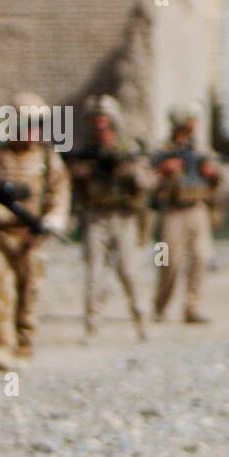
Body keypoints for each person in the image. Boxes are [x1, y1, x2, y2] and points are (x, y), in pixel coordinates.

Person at [0, 92, 71, 369]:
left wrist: (48, 223)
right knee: (0, 290)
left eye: (38, 125)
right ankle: (1, 345)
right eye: (27, 124)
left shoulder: (48, 158)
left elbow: (59, 193)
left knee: (29, 292)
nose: (32, 132)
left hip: (30, 238)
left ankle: (24, 344)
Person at [70, 94, 153, 340]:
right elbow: (76, 182)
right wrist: (84, 172)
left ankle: (141, 321)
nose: (100, 127)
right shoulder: (86, 153)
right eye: (96, 122)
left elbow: (147, 181)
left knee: (129, 272)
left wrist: (130, 171)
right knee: (94, 275)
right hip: (97, 217)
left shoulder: (129, 150)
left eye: (104, 122)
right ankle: (92, 326)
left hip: (124, 217)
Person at [152, 102, 220, 324]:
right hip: (173, 211)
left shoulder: (200, 150)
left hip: (197, 209)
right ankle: (160, 306)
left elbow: (216, 178)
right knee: (168, 261)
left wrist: (212, 173)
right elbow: (148, 179)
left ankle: (193, 307)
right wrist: (164, 170)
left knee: (200, 258)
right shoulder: (163, 149)